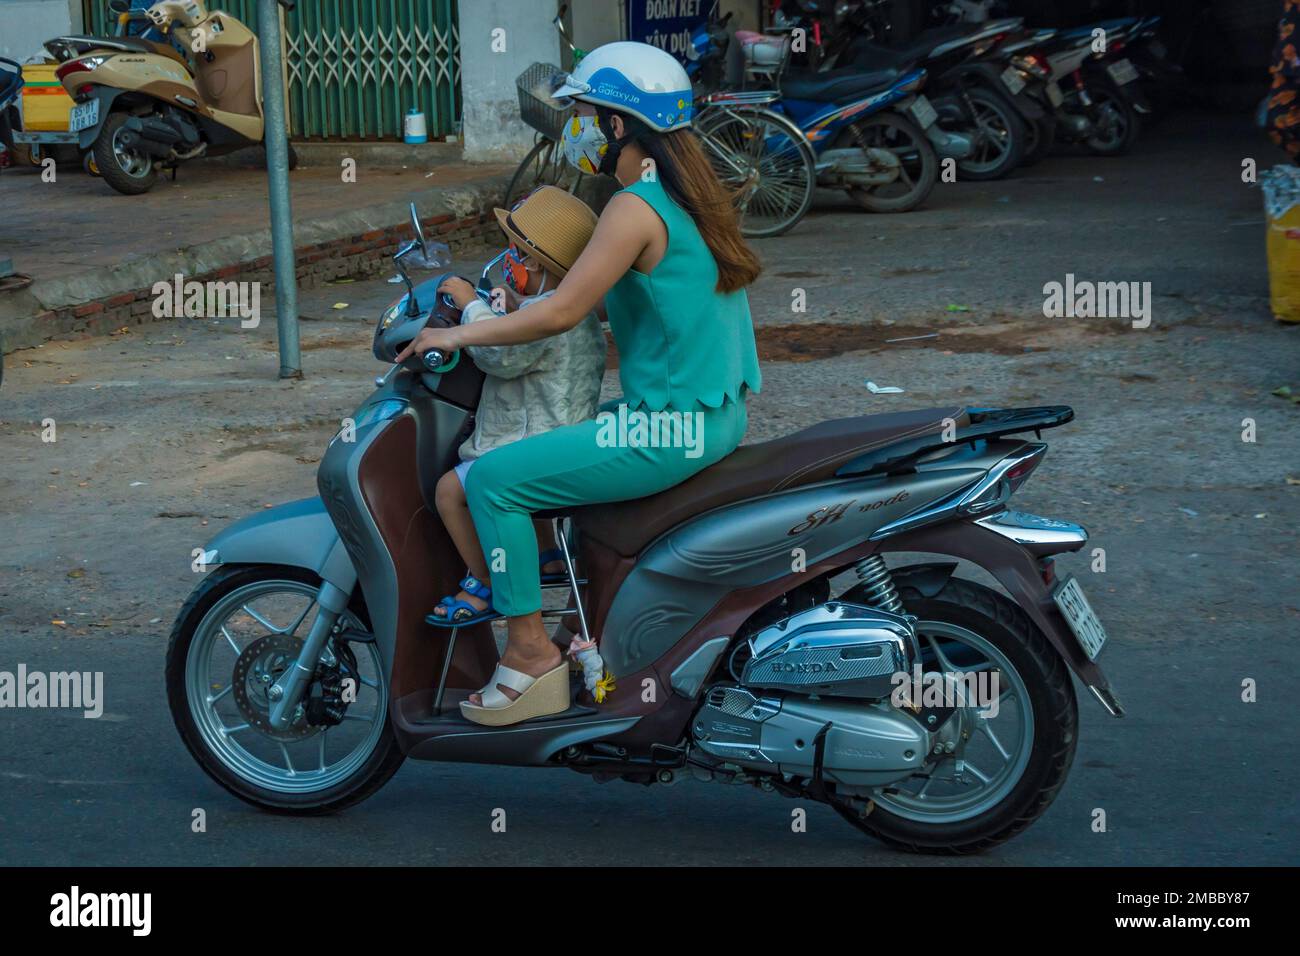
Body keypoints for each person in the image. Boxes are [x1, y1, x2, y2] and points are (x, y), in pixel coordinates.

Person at [397, 41, 763, 727]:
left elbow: (562, 311)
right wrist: (502, 304)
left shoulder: (633, 207)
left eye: (586, 116)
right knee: (544, 456)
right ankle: (577, 624)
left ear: (619, 126)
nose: (578, 133)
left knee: (495, 480)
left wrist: (456, 331)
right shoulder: (686, 199)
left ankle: (530, 652)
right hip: (708, 416)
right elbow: (587, 299)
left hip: (669, 428)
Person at [427, 186, 606, 627]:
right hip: (564, 433)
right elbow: (531, 324)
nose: (510, 261)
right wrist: (514, 305)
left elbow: (500, 356)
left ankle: (485, 582)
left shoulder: (546, 316)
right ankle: (546, 557)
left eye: (519, 254)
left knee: (450, 492)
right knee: (522, 474)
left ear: (541, 266)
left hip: (537, 442)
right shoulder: (563, 308)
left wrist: (471, 307)